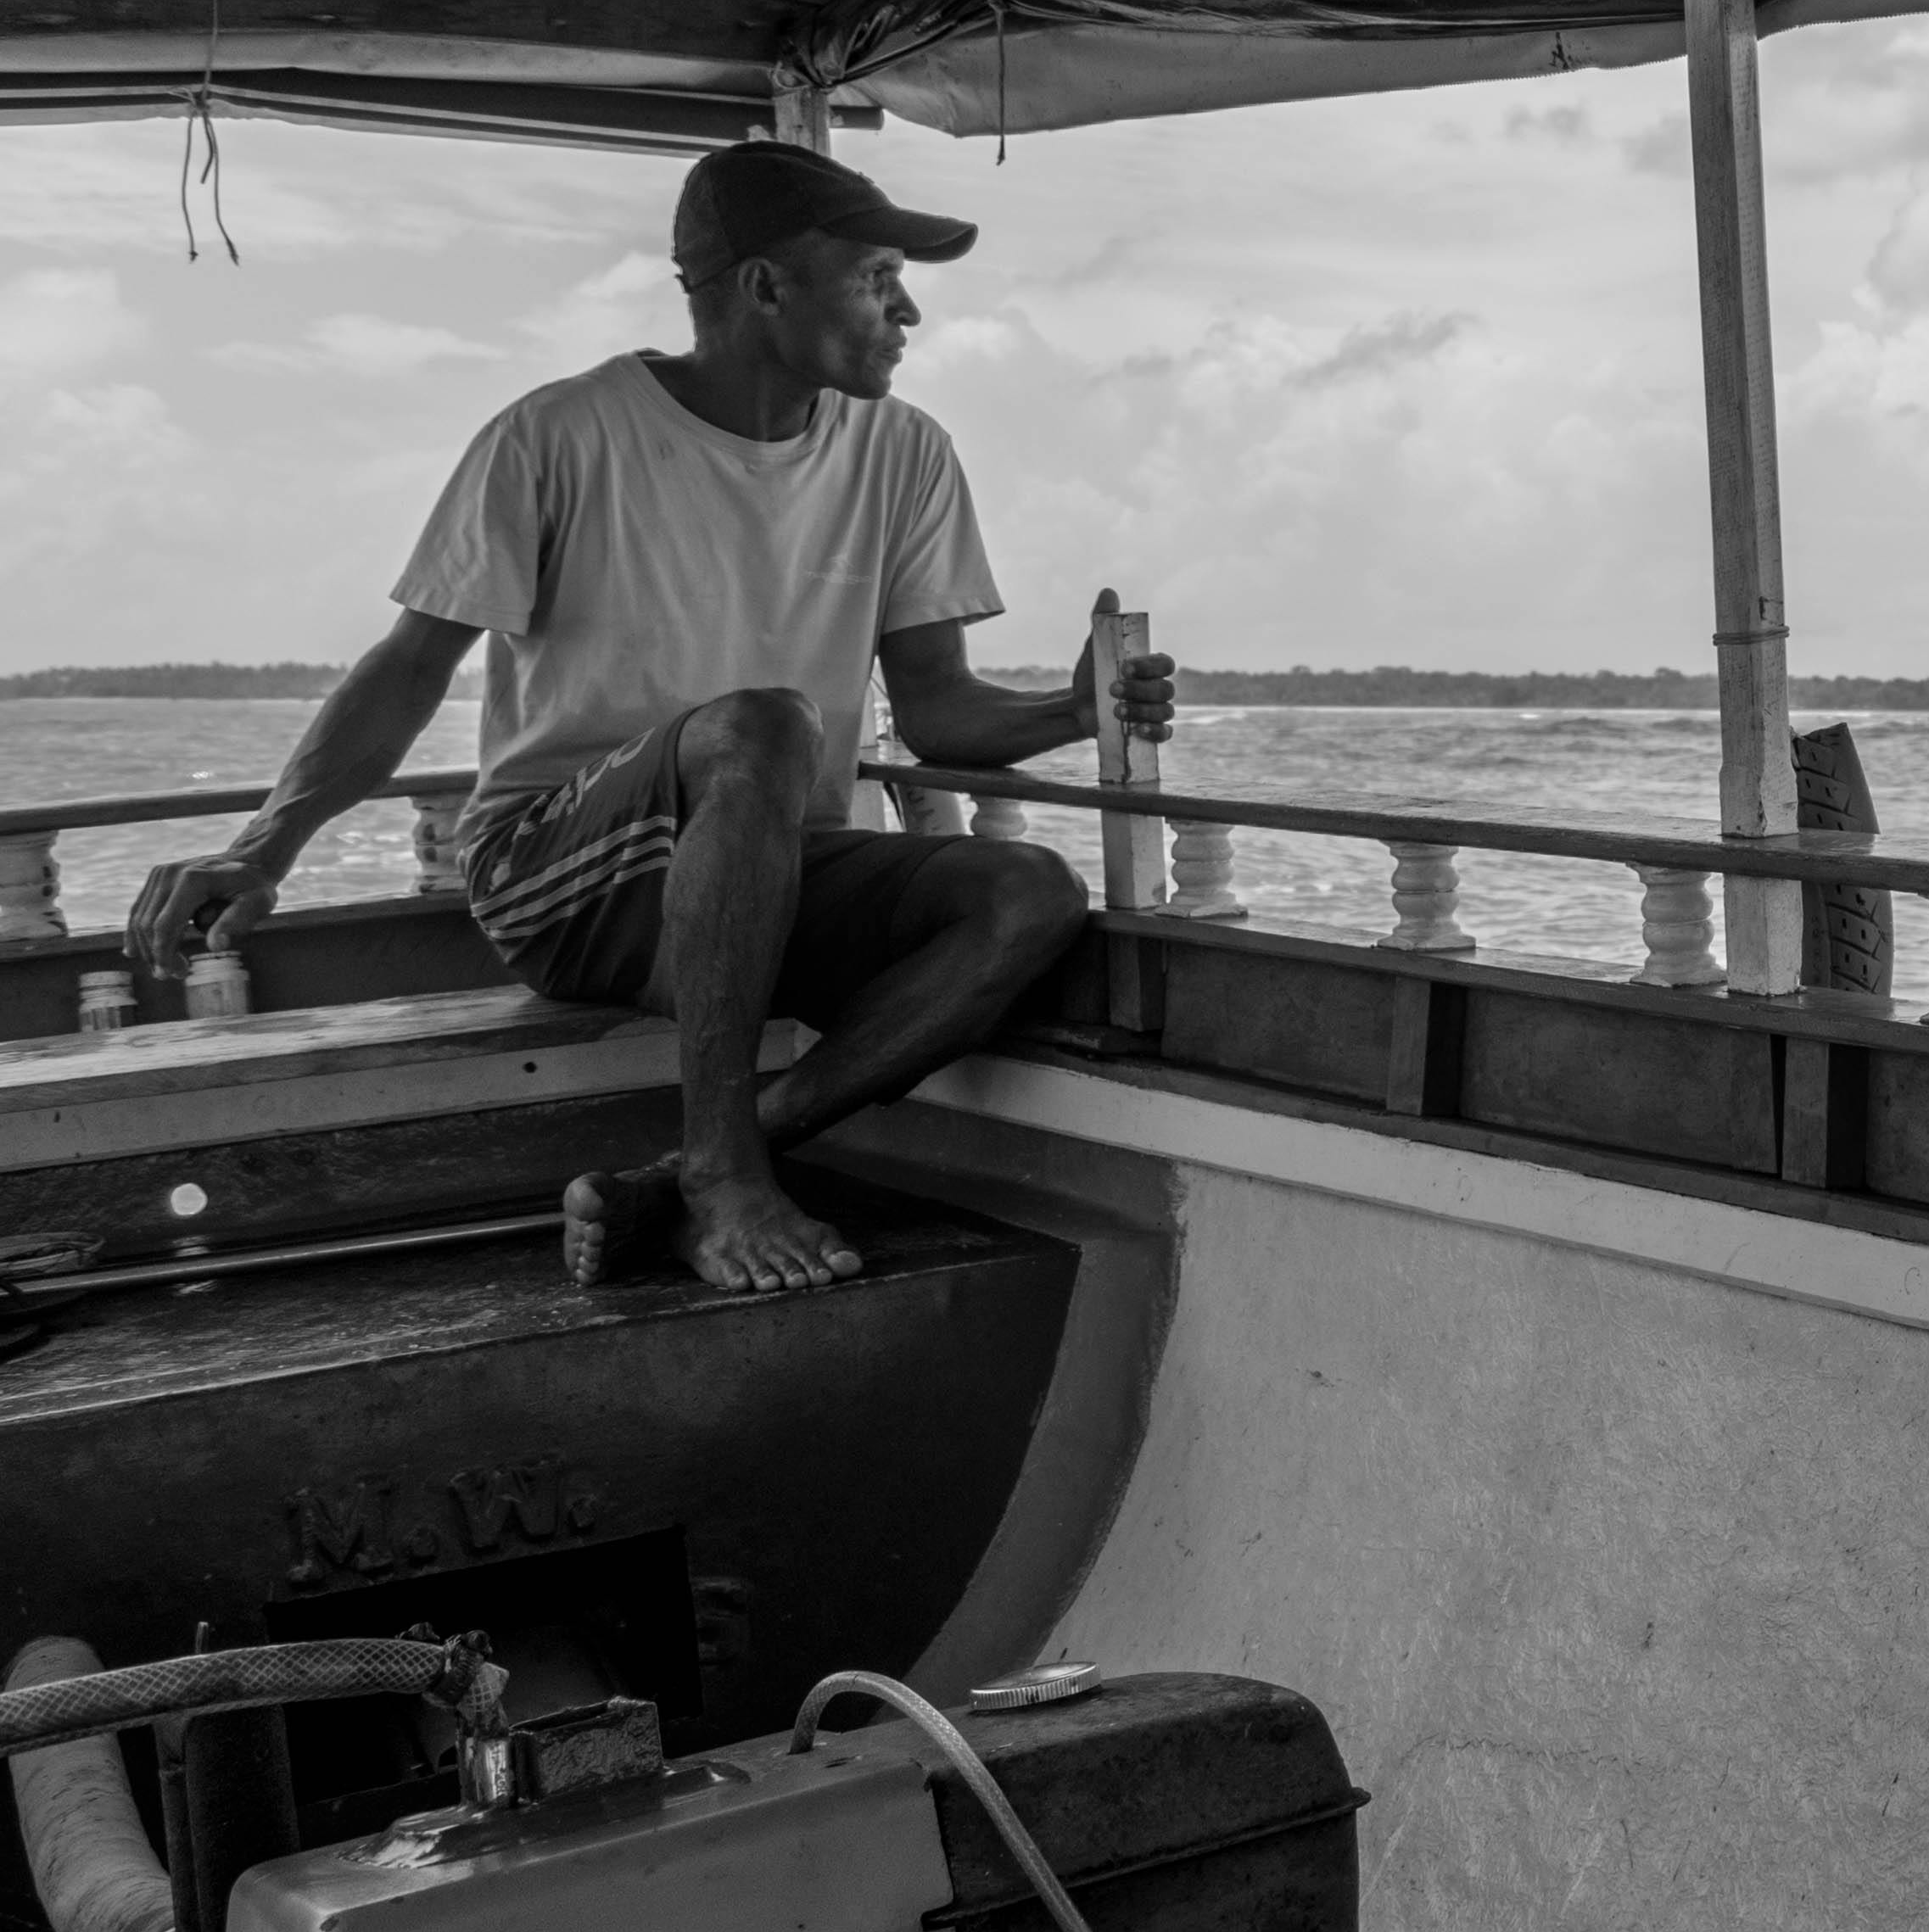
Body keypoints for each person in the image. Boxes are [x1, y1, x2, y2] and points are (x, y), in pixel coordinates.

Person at [126, 139, 1176, 1295]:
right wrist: (261, 846)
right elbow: (412, 664)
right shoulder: (560, 434)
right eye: (877, 278)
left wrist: (1072, 710)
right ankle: (729, 1182)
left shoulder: (906, 452)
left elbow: (938, 712)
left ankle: (683, 1174)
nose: (908, 310)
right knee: (767, 725)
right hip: (560, 874)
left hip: (763, 865)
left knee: (1029, 896)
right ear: (767, 285)